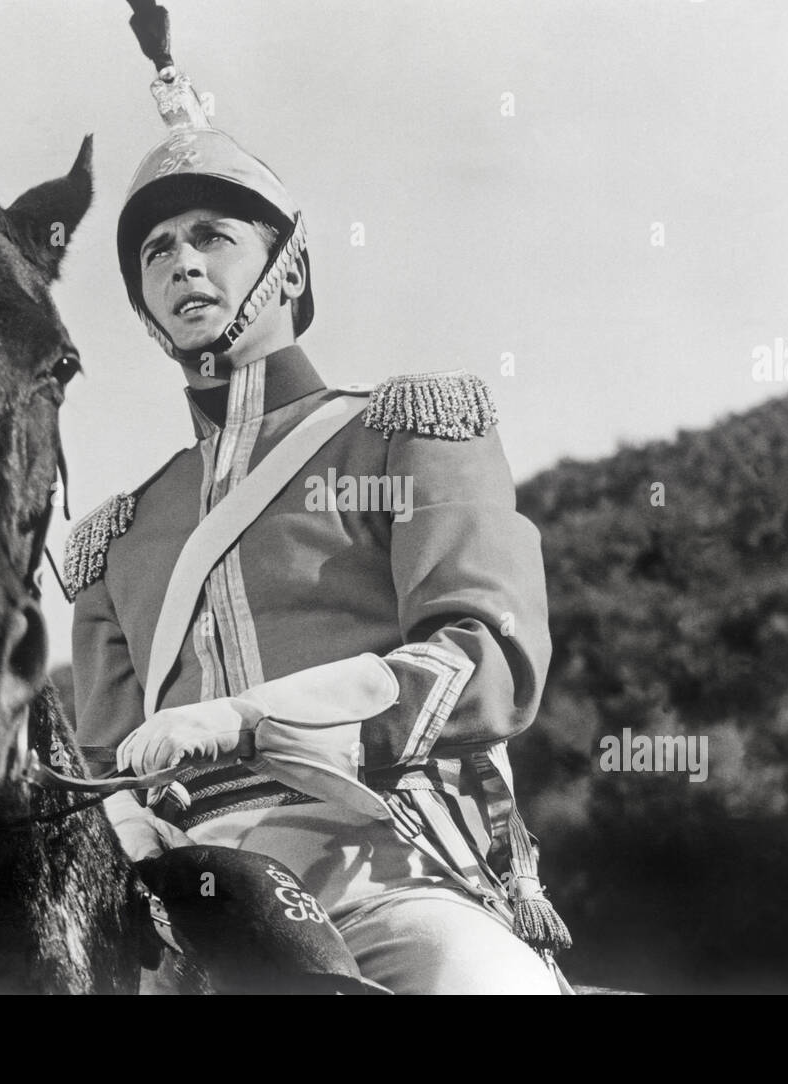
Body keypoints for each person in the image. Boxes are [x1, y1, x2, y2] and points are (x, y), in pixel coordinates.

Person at [64, 17, 570, 994]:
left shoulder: (408, 424)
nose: (180, 264)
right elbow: (104, 780)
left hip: (395, 885)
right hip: (194, 936)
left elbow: (485, 661)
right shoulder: (116, 538)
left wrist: (248, 717)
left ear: (287, 270)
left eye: (211, 234)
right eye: (156, 249)